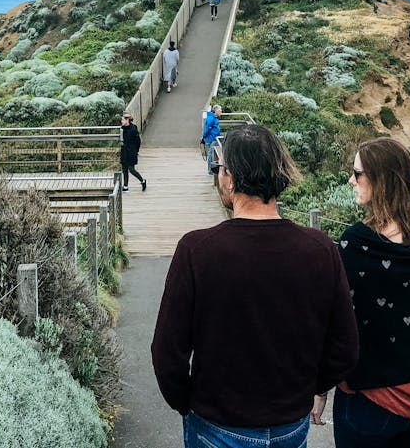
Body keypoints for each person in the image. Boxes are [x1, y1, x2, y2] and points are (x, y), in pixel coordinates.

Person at [152, 124, 359, 448]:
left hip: (216, 422)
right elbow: (345, 347)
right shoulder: (320, 249)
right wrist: (306, 389)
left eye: (220, 167)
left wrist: (188, 403)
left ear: (230, 178)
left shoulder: (197, 249)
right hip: (290, 425)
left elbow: (167, 351)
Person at [313, 138, 410, 448]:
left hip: (370, 402)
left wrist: (320, 389)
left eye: (357, 173)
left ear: (381, 180)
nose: (351, 180)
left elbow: (335, 325)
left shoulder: (357, 245)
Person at [119, 112, 146, 192]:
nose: (121, 121)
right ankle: (125, 186)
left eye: (123, 120)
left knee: (131, 169)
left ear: (127, 120)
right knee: (124, 169)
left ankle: (142, 180)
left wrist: (136, 150)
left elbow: (138, 141)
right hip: (124, 150)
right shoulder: (122, 128)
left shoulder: (133, 129)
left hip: (131, 152)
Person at [201, 104, 222, 173]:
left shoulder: (214, 118)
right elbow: (207, 129)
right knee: (211, 154)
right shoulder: (211, 118)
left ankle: (211, 170)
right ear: (216, 111)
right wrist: (203, 137)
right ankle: (210, 170)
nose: (221, 112)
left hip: (214, 138)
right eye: (220, 110)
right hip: (211, 138)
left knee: (212, 153)